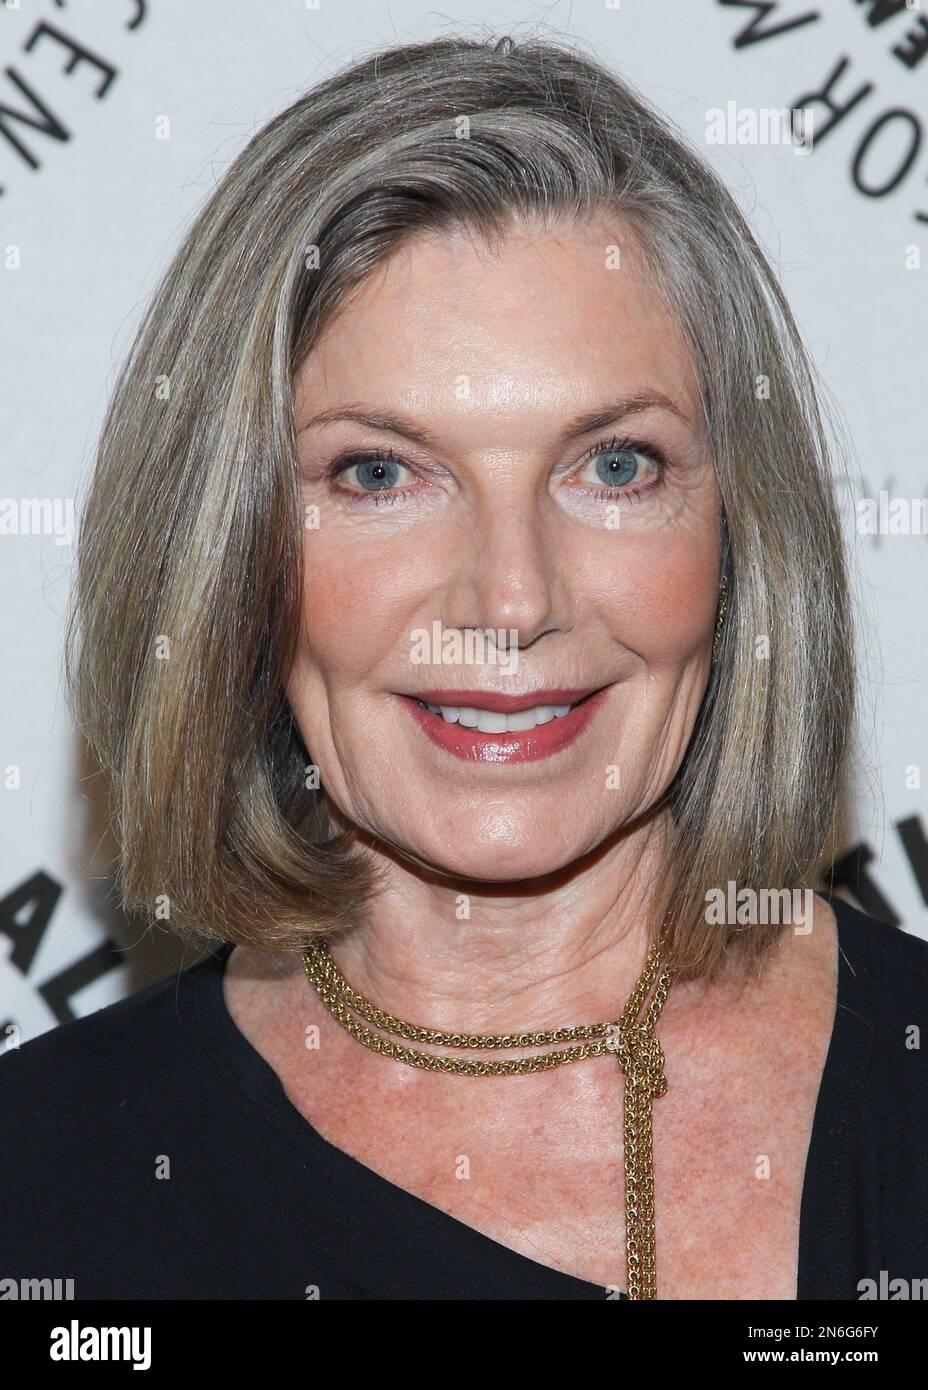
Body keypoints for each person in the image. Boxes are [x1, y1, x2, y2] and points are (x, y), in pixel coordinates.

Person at [2, 33, 925, 1302]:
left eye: (614, 466)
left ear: (738, 534)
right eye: (379, 473)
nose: (510, 599)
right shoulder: (44, 1194)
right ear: (227, 549)